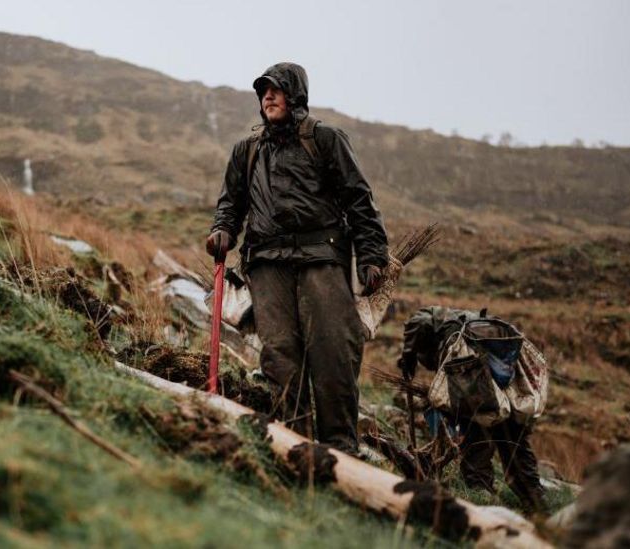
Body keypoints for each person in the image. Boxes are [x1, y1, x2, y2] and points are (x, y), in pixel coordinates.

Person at [207, 62, 388, 454]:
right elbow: (230, 203)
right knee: (280, 355)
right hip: (267, 262)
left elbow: (360, 200)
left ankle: (340, 447)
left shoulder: (325, 139)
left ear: (296, 94)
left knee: (333, 351)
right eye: (263, 91)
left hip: (322, 256)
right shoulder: (247, 151)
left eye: (276, 89)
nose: (267, 96)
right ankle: (293, 443)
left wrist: (372, 256)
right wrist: (222, 230)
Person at [399, 306, 547, 511]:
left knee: (477, 425)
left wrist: (408, 355)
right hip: (505, 364)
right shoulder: (474, 321)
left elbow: (418, 321)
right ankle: (535, 500)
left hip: (470, 364)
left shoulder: (431, 316)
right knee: (512, 433)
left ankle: (480, 494)